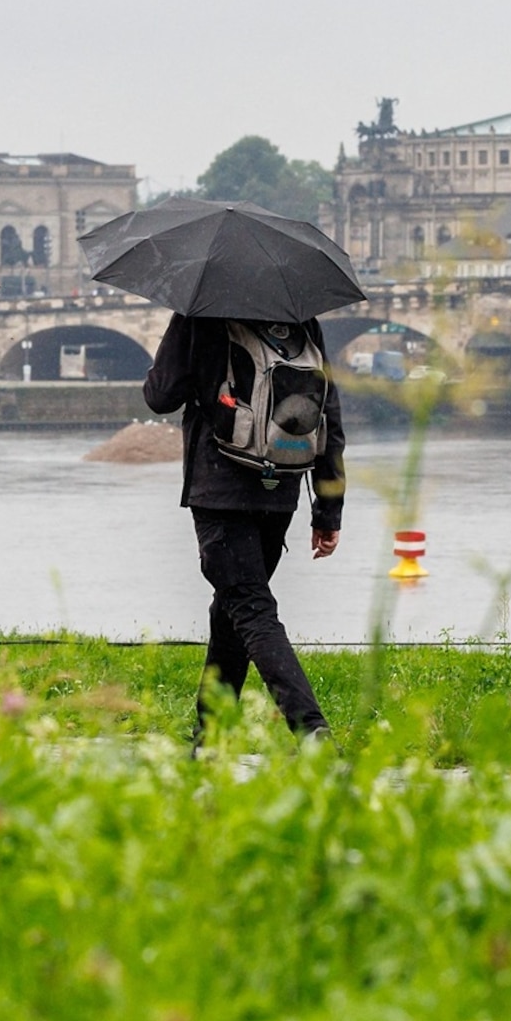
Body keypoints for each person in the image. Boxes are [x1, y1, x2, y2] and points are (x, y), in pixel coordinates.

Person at [141, 312, 344, 738]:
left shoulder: (200, 311)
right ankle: (209, 739)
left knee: (251, 610)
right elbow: (328, 413)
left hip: (220, 487)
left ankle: (310, 728)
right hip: (281, 485)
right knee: (231, 613)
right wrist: (328, 509)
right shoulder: (299, 314)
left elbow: (160, 396)